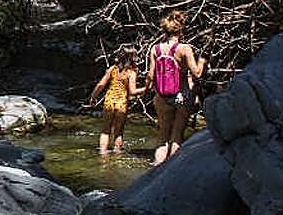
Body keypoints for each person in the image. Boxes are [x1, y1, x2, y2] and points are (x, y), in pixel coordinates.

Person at [149, 10, 205, 163]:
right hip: (182, 94)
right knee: (177, 134)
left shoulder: (155, 49)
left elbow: (150, 75)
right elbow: (197, 73)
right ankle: (171, 171)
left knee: (163, 136)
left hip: (161, 96)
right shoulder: (184, 48)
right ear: (181, 30)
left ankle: (157, 169)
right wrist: (203, 61)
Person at [88, 45, 144, 156]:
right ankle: (117, 154)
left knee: (105, 130)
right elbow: (132, 92)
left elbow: (101, 84)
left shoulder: (112, 69)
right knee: (118, 132)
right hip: (121, 105)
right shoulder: (131, 73)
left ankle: (103, 154)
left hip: (109, 102)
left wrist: (93, 97)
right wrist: (147, 88)